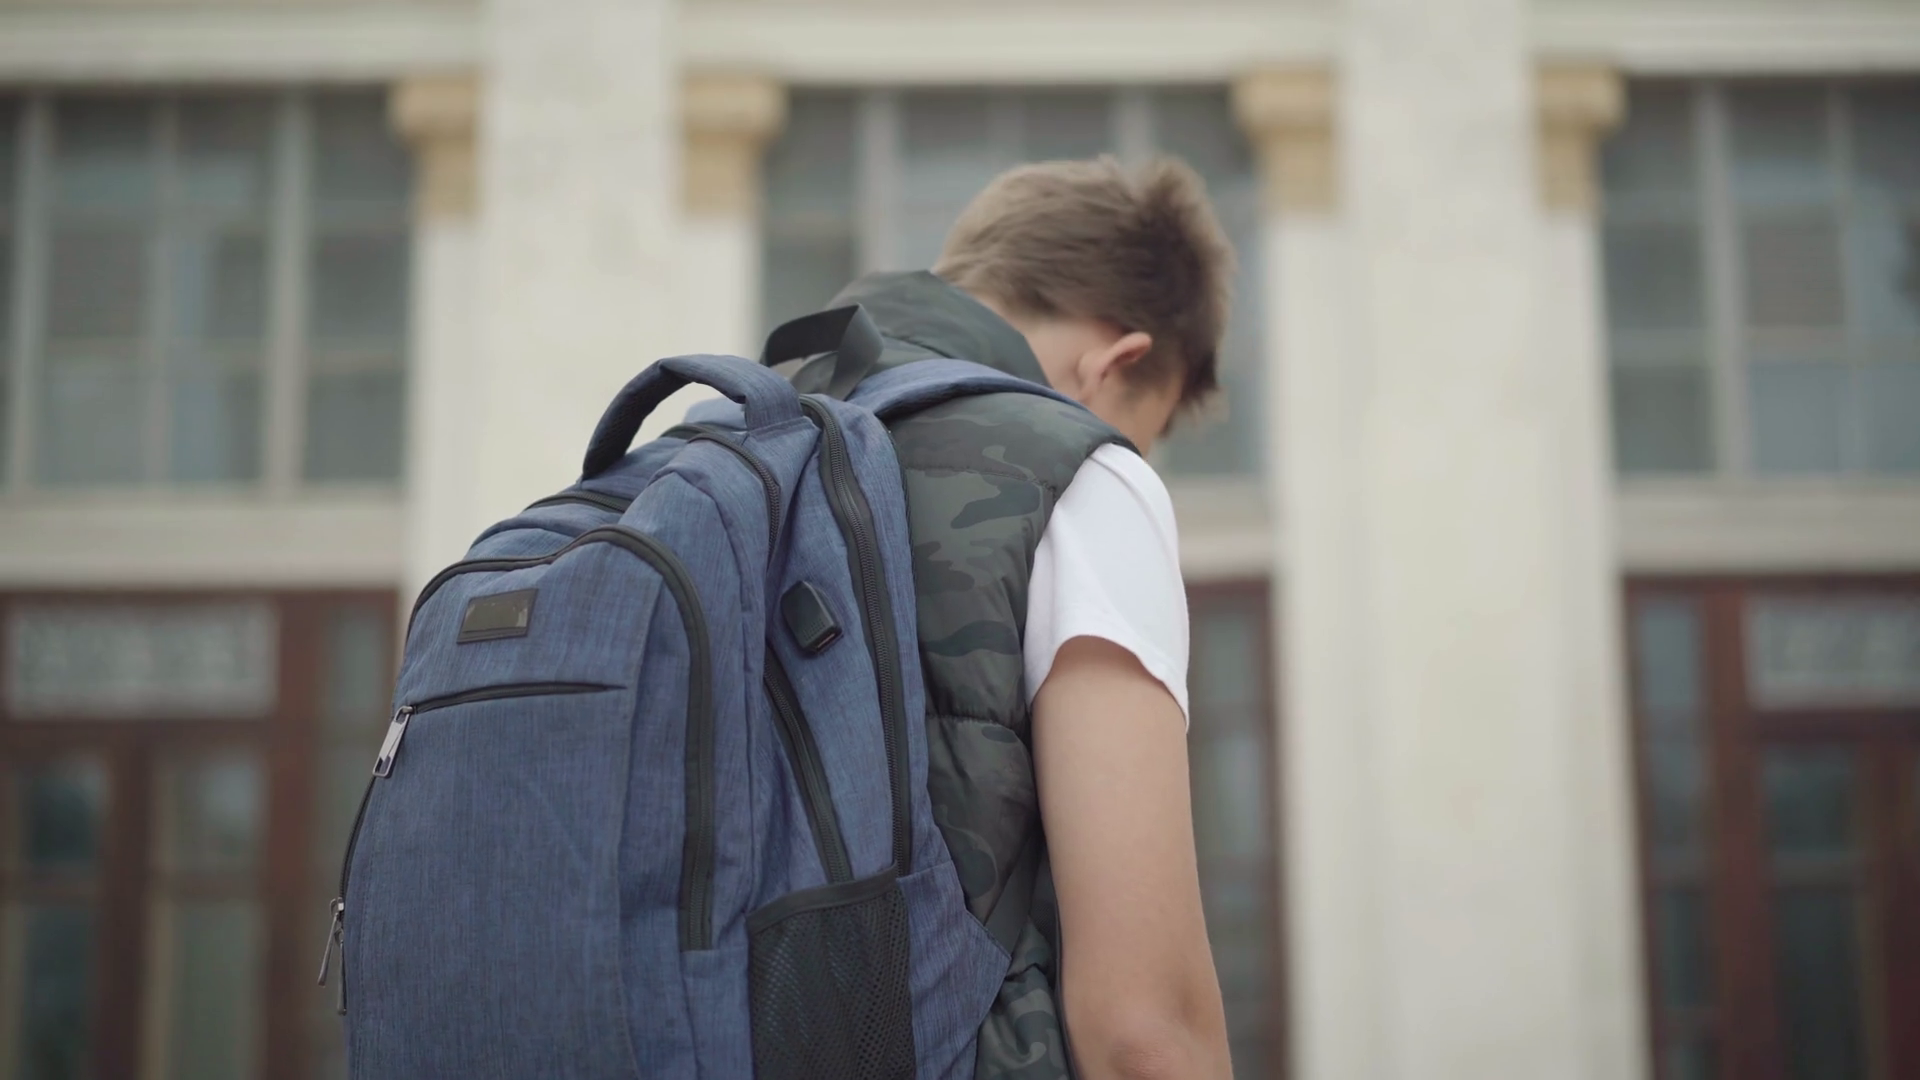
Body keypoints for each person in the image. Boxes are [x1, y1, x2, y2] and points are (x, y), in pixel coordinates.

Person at [777, 155, 1235, 1080]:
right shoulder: (1071, 471)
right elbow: (1144, 1030)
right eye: (1139, 435)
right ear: (1118, 363)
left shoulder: (728, 443)